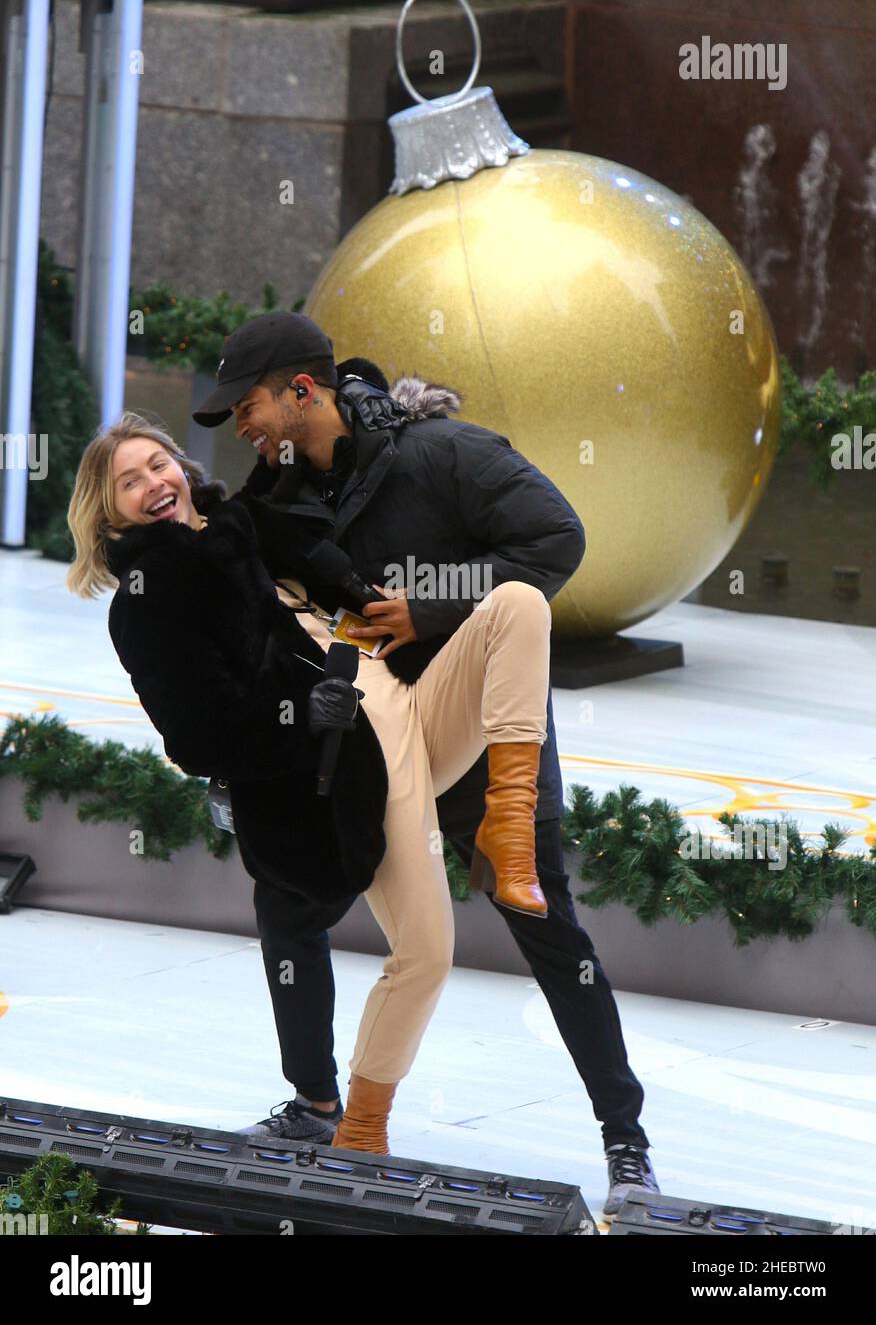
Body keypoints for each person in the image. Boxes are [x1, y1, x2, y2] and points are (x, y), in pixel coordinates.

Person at [191, 311, 661, 1218]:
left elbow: (555, 542)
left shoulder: (445, 453)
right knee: (288, 902)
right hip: (364, 747)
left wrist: (432, 609)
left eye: (246, 406)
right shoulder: (273, 500)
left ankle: (626, 1143)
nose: (239, 427)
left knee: (547, 928)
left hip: (484, 728)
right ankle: (318, 1106)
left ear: (302, 390)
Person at [65, 407, 555, 1156]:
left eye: (156, 464)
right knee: (421, 952)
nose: (151, 484)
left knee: (518, 603)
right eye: (127, 482)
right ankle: (355, 1121)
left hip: (408, 710)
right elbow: (196, 738)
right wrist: (302, 714)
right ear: (109, 512)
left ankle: (508, 822)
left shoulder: (241, 524)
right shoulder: (149, 598)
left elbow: (305, 449)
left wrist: (376, 399)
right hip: (347, 766)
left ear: (182, 467)